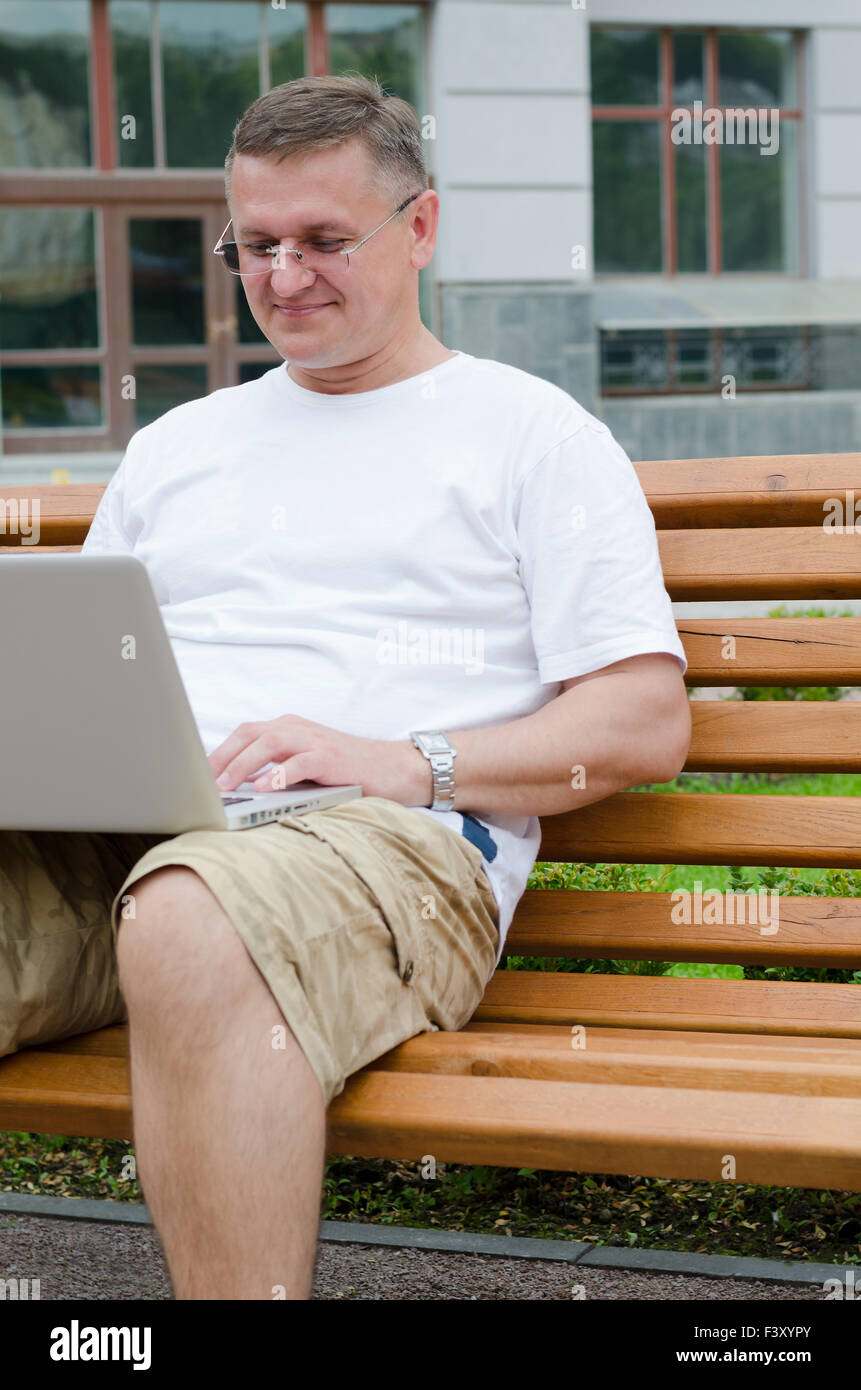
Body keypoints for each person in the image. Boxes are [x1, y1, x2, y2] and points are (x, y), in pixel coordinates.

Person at [0, 74, 691, 1300]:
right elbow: (81, 666)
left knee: (195, 909)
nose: (283, 276)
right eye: (254, 245)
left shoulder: (534, 436)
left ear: (419, 227)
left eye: (324, 240)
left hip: (392, 846)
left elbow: (641, 723)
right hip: (141, 841)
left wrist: (402, 755)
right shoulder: (177, 446)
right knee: (181, 892)